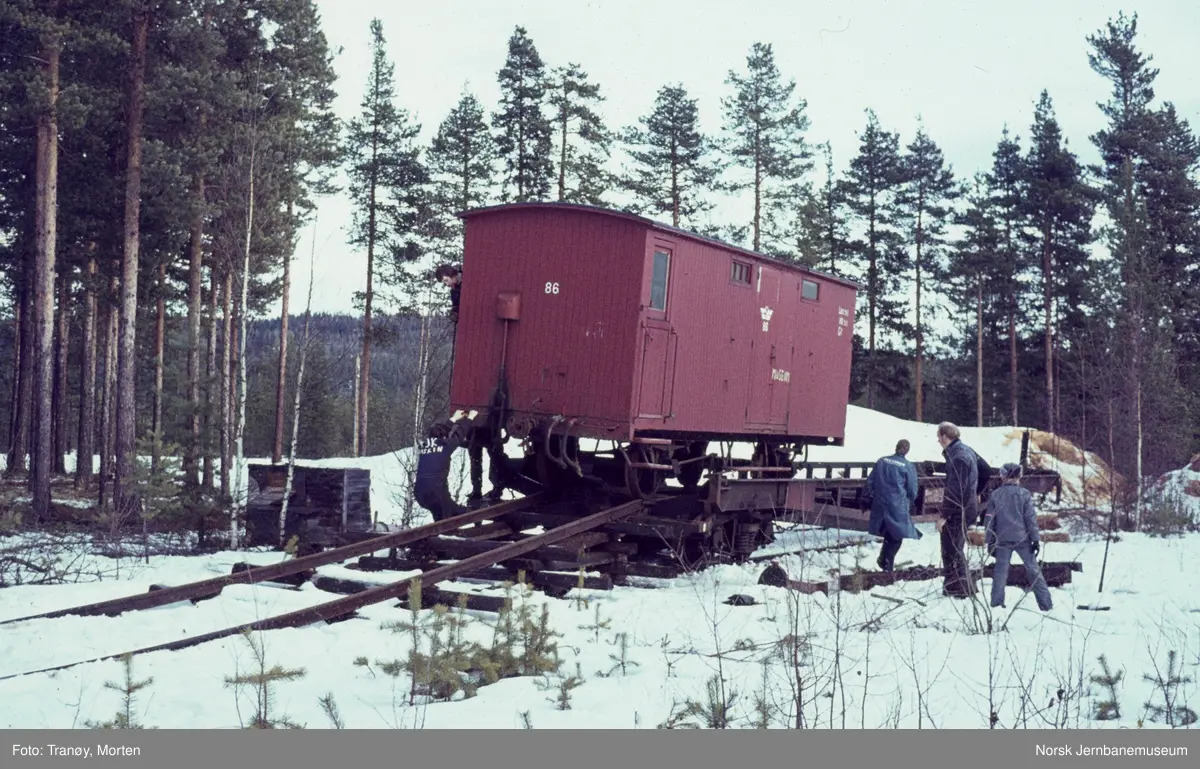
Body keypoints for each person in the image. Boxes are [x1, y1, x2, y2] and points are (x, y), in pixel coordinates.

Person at [985, 463, 1053, 611]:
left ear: (1003, 476)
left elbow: (989, 520)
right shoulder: (1024, 494)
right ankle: (1046, 605)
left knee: (1000, 574)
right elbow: (1030, 519)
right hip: (1023, 539)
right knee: (1034, 571)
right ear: (1019, 476)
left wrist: (989, 541)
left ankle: (996, 604)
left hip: (1002, 540)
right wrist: (1035, 539)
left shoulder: (995, 495)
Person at [935, 422, 979, 598]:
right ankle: (958, 587)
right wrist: (975, 493)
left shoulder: (958, 457)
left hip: (958, 510)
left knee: (951, 549)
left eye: (939, 437)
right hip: (966, 507)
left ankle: (961, 589)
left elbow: (955, 490)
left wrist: (944, 516)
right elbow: (984, 470)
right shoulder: (966, 450)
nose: (938, 440)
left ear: (945, 437)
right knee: (955, 548)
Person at [865, 439, 921, 572]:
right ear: (907, 450)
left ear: (896, 447)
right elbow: (912, 489)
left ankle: (884, 561)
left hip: (880, 502)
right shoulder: (907, 466)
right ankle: (887, 564)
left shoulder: (882, 461)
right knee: (897, 536)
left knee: (889, 532)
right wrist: (910, 501)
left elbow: (870, 481)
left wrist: (868, 496)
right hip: (897, 505)